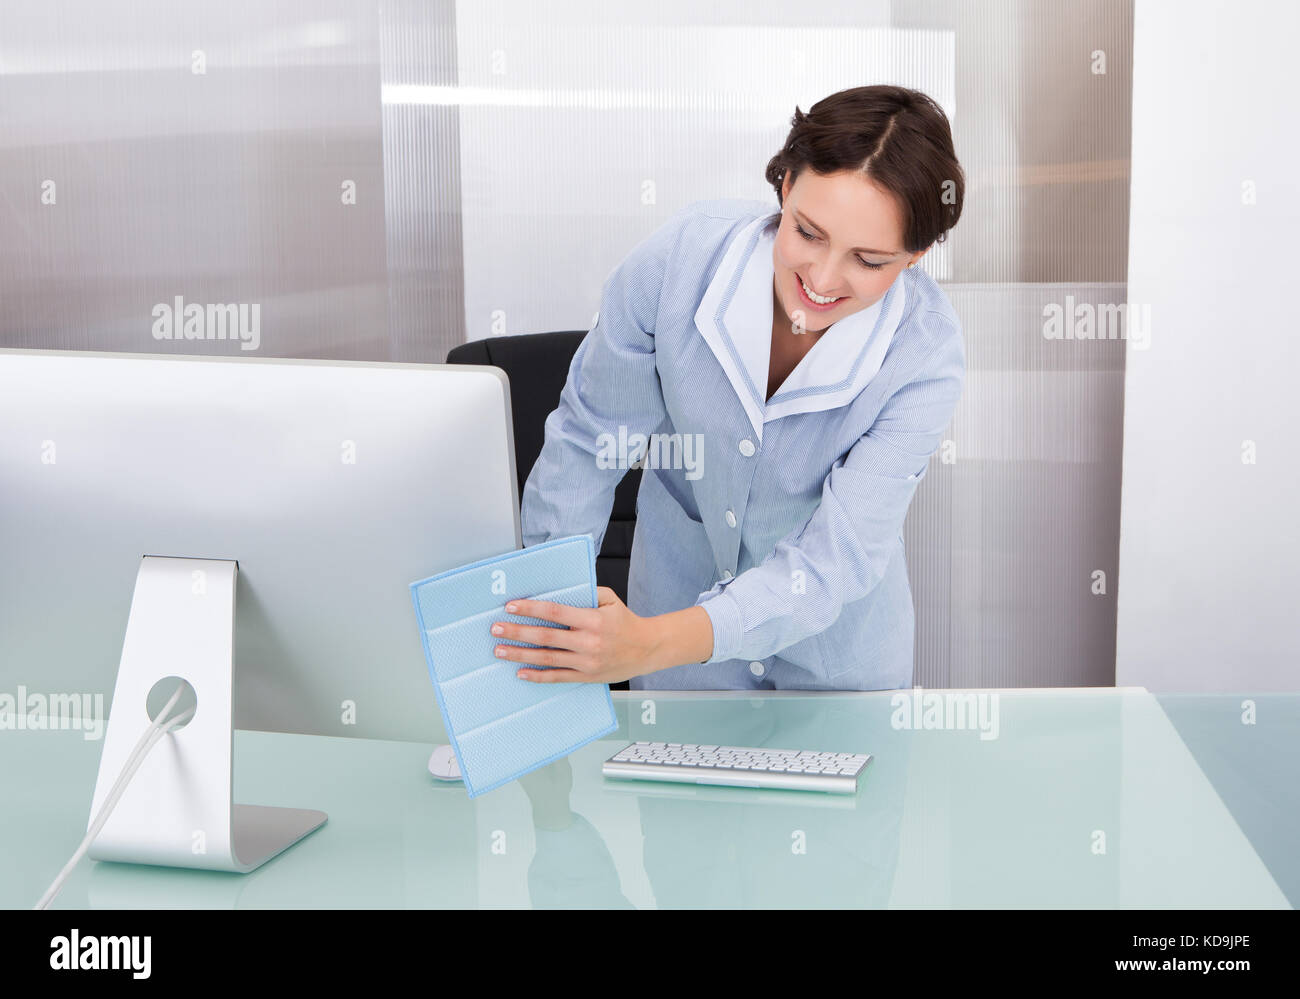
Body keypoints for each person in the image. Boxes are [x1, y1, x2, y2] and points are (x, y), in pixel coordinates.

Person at [492, 84, 965, 691]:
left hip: (833, 672)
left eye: (868, 261)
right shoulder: (679, 263)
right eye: (809, 233)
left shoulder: (924, 351)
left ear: (915, 256)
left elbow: (837, 556)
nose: (821, 279)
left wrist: (649, 643)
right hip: (675, 665)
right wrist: (550, 635)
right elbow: (589, 447)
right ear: (786, 185)